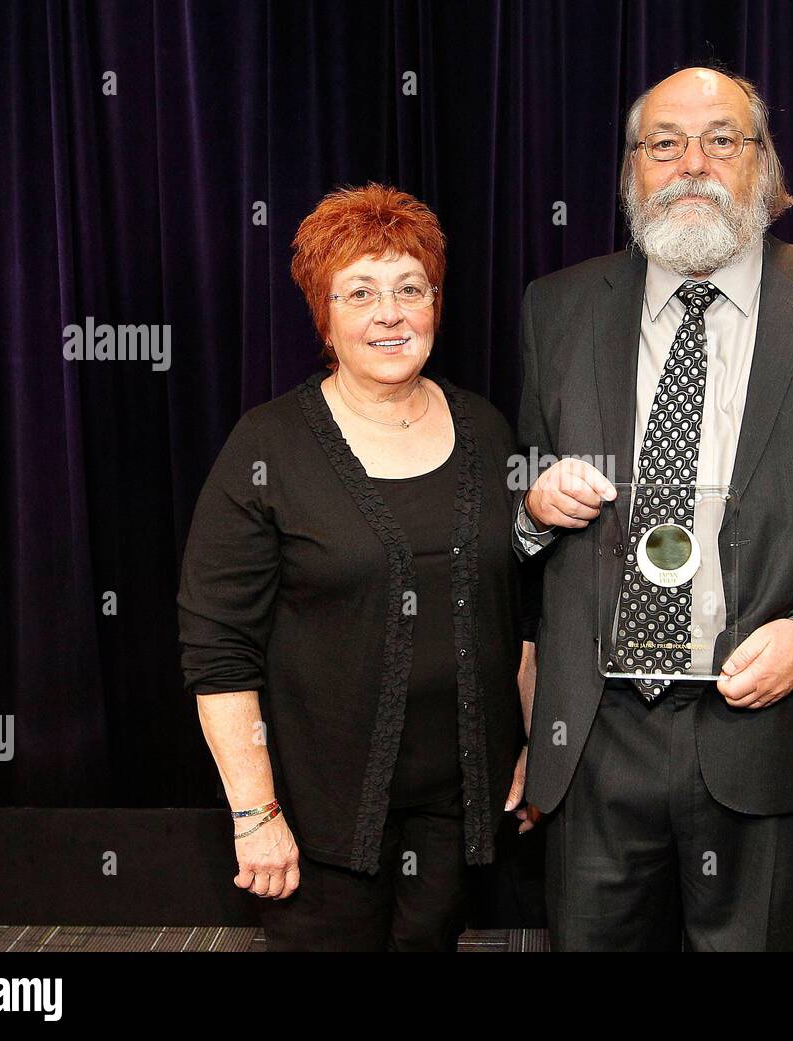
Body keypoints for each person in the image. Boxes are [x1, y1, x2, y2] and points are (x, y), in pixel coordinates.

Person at [513, 67, 793, 951]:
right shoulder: (558, 307)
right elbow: (519, 488)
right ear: (631, 170)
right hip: (597, 739)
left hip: (770, 733)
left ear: (761, 161)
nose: (693, 164)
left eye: (721, 140)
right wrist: (532, 504)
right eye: (665, 144)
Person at [177, 183, 533, 951]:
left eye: (411, 288)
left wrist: (536, 744)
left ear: (436, 303)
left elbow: (522, 608)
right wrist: (255, 813)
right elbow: (218, 650)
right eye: (360, 292)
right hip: (318, 816)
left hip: (458, 807)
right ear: (324, 316)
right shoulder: (267, 445)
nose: (390, 313)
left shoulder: (486, 426)